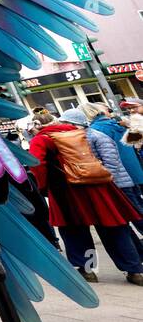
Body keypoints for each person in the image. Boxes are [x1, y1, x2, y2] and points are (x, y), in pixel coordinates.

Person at [27, 110, 143, 286]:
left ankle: (88, 270)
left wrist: (42, 187)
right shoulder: (82, 132)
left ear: (37, 126)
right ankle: (135, 270)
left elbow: (37, 165)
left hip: (67, 190)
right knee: (114, 228)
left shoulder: (42, 139)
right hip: (99, 187)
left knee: (75, 231)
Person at [85, 103, 143, 217]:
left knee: (133, 209)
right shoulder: (115, 124)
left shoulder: (97, 129)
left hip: (120, 173)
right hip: (132, 169)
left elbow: (109, 155)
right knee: (138, 203)